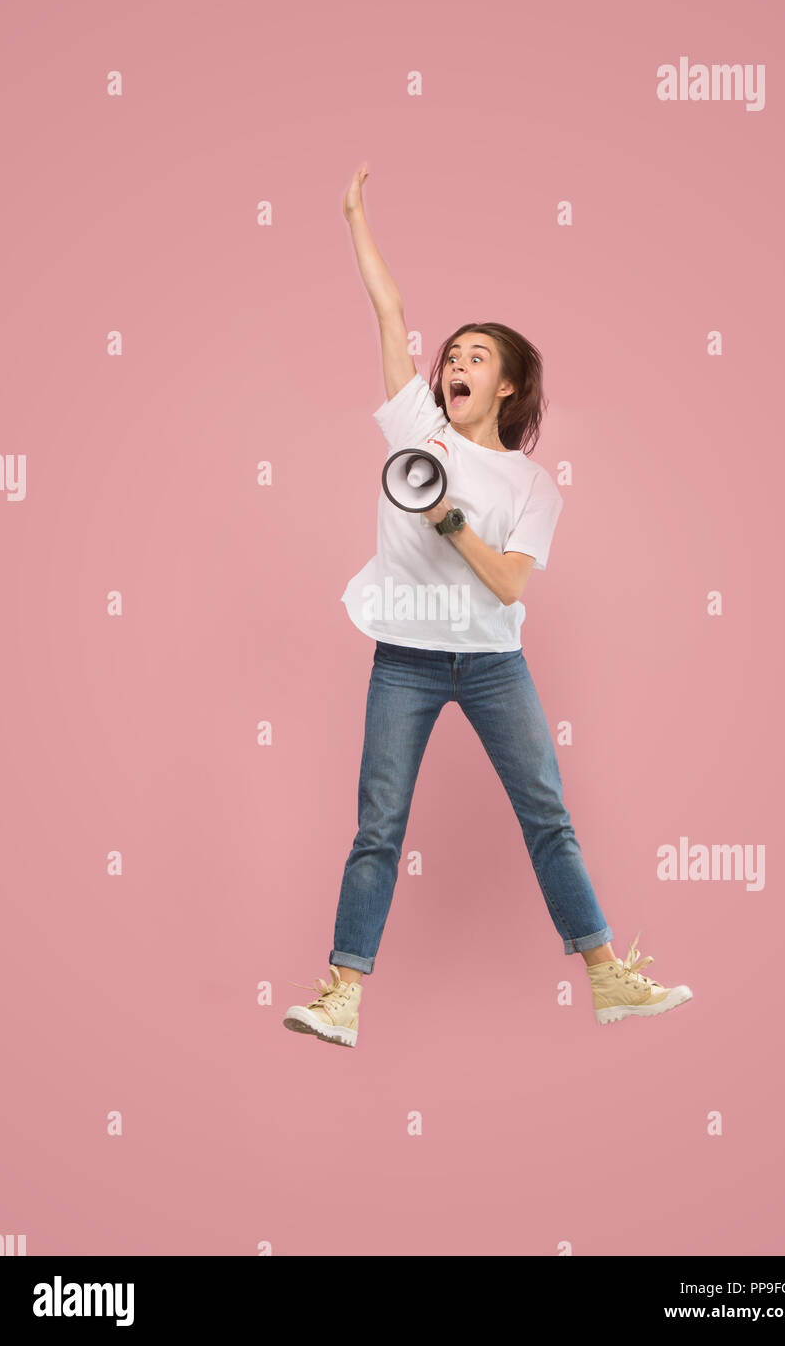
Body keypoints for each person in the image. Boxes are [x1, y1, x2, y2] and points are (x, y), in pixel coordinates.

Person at [283, 164, 692, 1048]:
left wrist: (449, 521)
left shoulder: (531, 484)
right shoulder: (415, 432)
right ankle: (342, 995)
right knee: (379, 828)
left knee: (546, 816)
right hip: (405, 660)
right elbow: (388, 311)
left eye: (476, 357)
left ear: (507, 385)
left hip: (495, 663)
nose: (455, 364)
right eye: (452, 356)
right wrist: (355, 216)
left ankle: (608, 975)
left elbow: (509, 581)